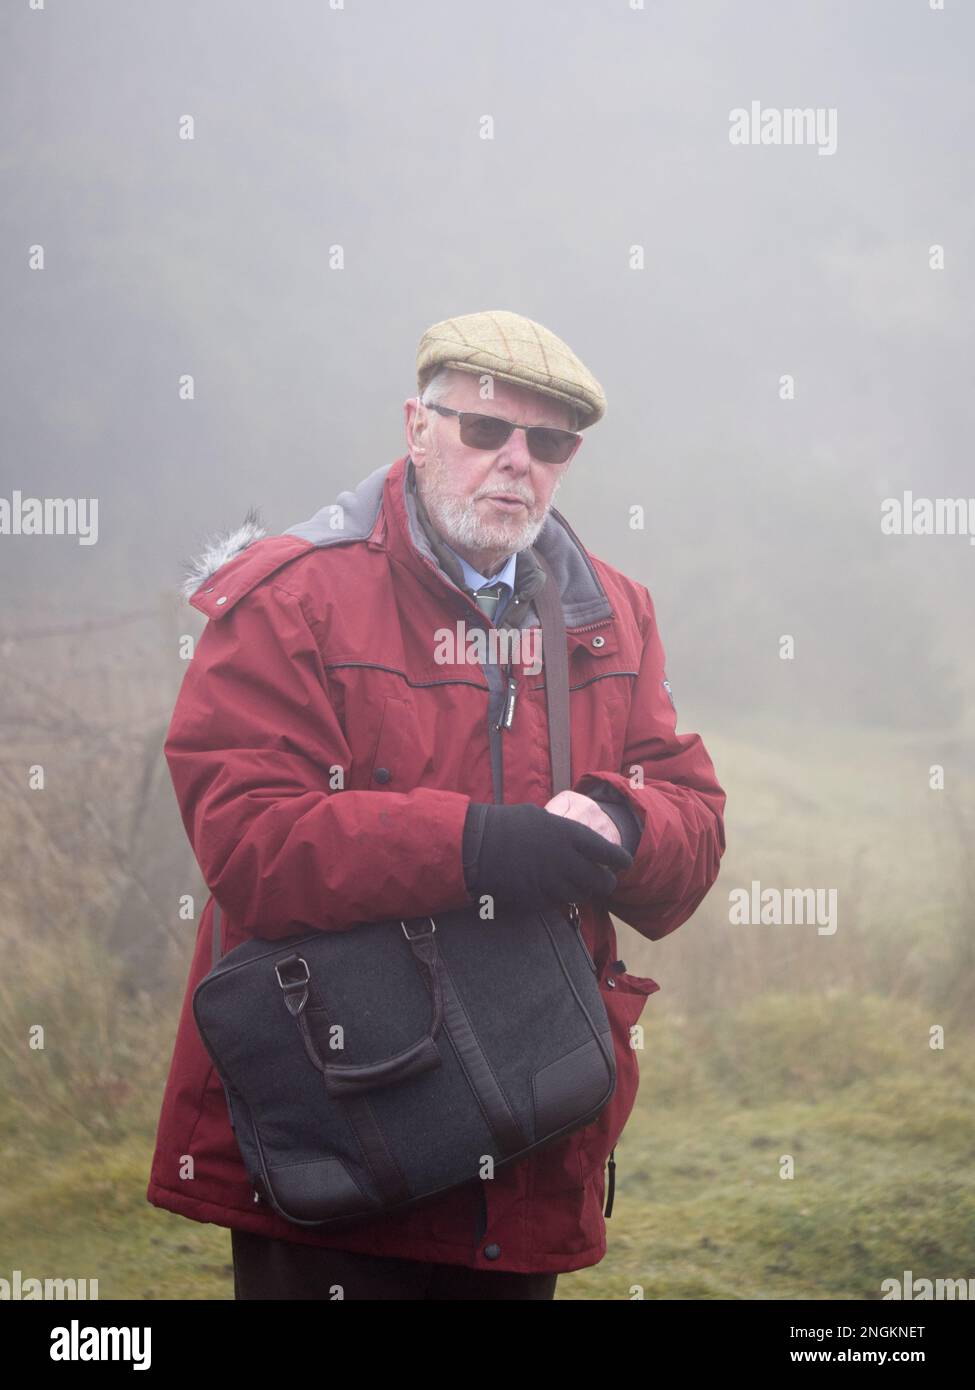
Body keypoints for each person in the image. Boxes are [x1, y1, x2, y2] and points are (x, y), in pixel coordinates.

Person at [146, 308, 727, 1300]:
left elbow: (692, 810)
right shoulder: (290, 594)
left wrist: (625, 824)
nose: (516, 461)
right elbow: (250, 839)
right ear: (418, 428)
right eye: (485, 430)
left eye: (548, 443)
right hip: (337, 1130)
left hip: (534, 1135)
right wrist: (481, 846)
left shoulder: (612, 612)